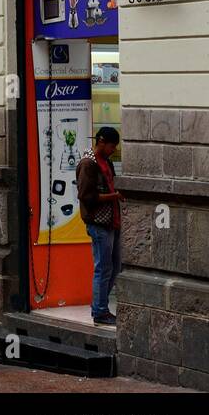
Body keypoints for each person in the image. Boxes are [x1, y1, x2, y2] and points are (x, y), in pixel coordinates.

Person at [78, 125, 123, 326]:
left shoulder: (107, 162)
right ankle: (100, 311)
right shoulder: (88, 164)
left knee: (115, 266)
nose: (114, 150)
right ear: (102, 142)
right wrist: (113, 196)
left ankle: (98, 304)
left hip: (111, 221)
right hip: (98, 222)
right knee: (103, 268)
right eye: (112, 146)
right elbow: (86, 196)